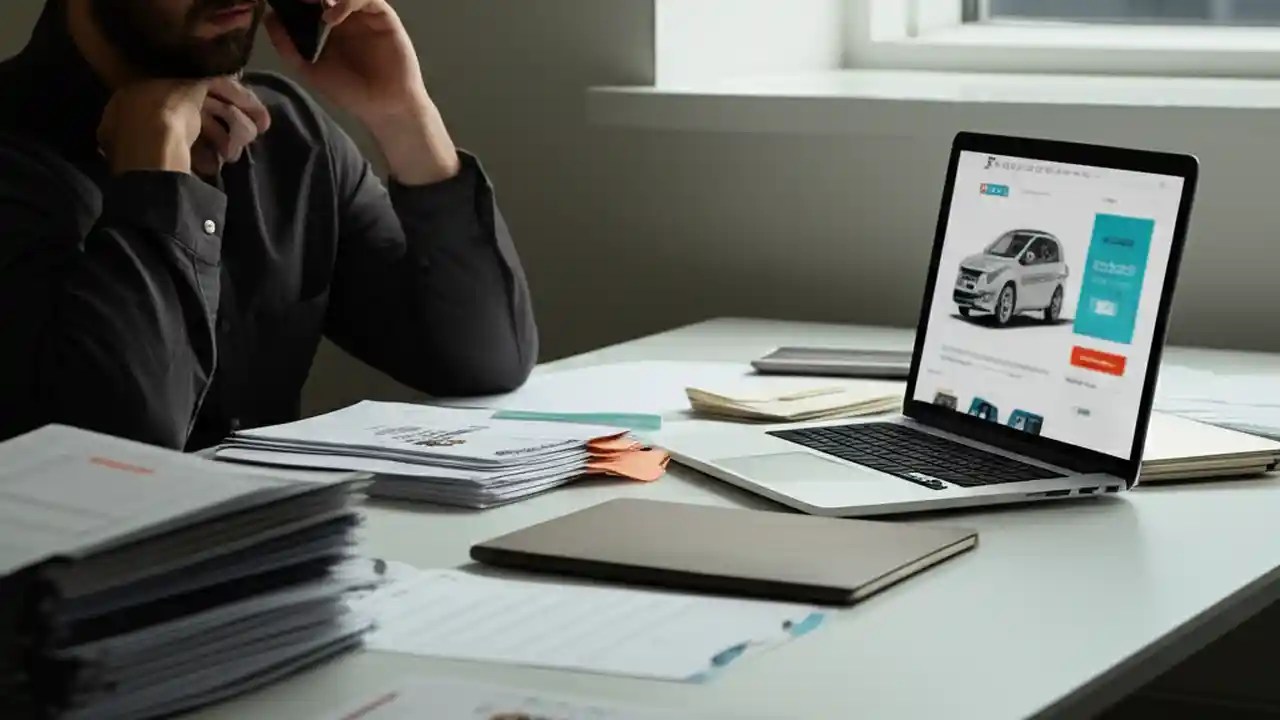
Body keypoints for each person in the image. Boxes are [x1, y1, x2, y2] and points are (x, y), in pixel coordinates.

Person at [0, 0, 538, 450]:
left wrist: (402, 114)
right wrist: (154, 169)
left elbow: (484, 361)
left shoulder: (288, 135)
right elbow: (115, 454)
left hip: (285, 555)